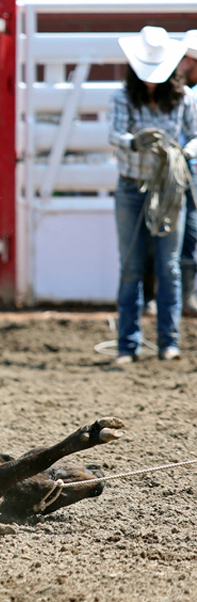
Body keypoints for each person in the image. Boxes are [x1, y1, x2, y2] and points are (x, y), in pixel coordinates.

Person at [107, 26, 197, 364]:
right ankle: (127, 345)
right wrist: (133, 141)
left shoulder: (185, 98)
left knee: (168, 266)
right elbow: (114, 133)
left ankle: (167, 342)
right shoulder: (121, 96)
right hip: (132, 186)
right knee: (131, 266)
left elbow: (195, 136)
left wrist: (184, 154)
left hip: (169, 190)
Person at [177, 30, 197, 316]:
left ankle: (187, 296)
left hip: (188, 168)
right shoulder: (181, 92)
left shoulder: (185, 94)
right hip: (183, 168)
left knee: (189, 232)